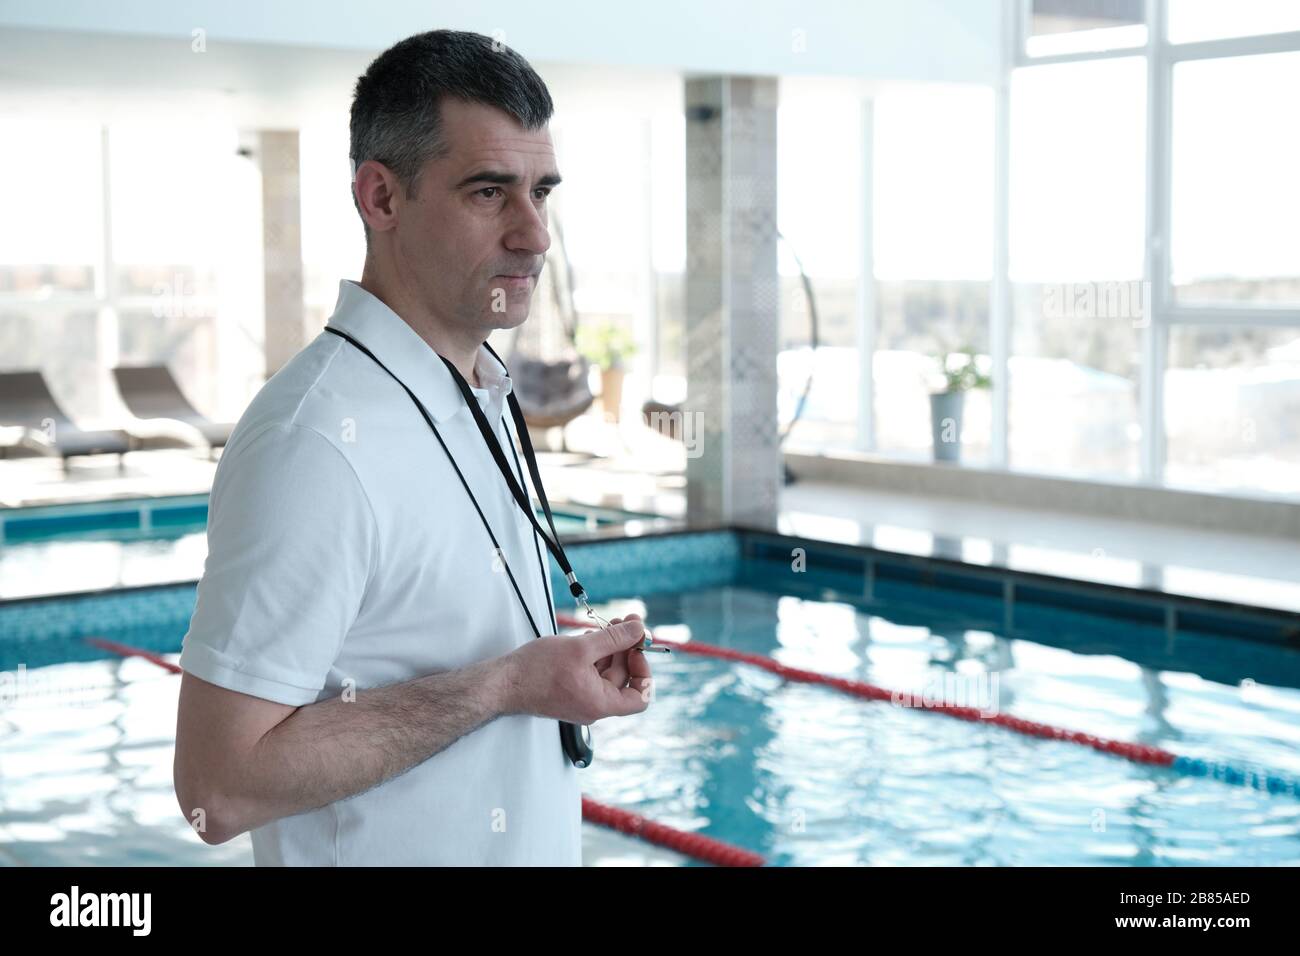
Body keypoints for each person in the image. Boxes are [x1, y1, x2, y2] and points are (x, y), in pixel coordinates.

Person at [172, 29, 653, 866]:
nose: (534, 234)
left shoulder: (477, 392)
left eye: (542, 191)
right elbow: (218, 789)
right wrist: (507, 685)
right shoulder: (315, 444)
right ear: (381, 198)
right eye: (488, 192)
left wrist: (546, 659)